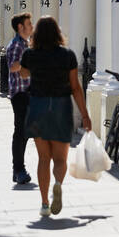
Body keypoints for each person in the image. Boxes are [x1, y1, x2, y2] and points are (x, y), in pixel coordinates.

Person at [19, 16, 92, 218]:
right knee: (60, 159)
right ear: (57, 33)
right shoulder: (67, 56)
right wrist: (85, 116)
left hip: (38, 106)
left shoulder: (30, 54)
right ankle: (57, 185)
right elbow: (76, 88)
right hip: (61, 106)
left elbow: (24, 75)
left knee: (44, 158)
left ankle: (44, 204)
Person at [7, 13, 33, 186]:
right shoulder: (16, 45)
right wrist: (29, 63)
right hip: (20, 93)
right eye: (28, 24)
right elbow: (13, 66)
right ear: (20, 27)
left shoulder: (24, 44)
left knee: (24, 132)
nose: (31, 27)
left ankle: (19, 169)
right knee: (20, 132)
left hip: (27, 92)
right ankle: (18, 169)